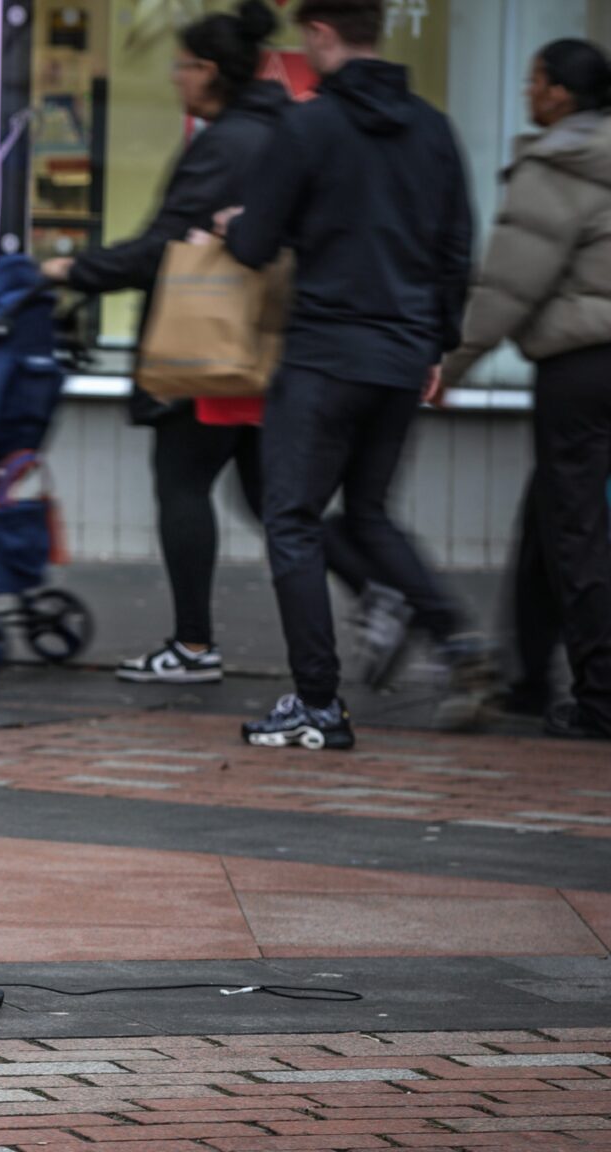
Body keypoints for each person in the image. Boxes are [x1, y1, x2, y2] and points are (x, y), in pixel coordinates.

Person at [221, 0, 491, 750]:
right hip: (403, 355)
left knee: (293, 520)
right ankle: (455, 637)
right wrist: (436, 344)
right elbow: (455, 247)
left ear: (321, 33)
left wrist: (231, 224)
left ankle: (317, 702)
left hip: (325, 354)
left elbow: (253, 245)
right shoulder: (433, 128)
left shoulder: (309, 124)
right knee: (367, 512)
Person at [42, 0, 283, 685]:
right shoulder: (284, 130)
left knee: (183, 485)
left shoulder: (225, 142)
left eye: (181, 67)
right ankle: (387, 598)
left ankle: (194, 647)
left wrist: (73, 270)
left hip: (207, 352)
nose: (175, 78)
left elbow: (163, 248)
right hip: (265, 347)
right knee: (273, 500)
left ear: (208, 71)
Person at [439, 39, 611, 742]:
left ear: (561, 94)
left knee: (574, 530)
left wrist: (452, 364)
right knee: (549, 520)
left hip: (581, 365)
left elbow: (510, 283)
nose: (526, 93)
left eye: (535, 81)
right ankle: (531, 676)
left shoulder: (558, 162)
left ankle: (600, 696)